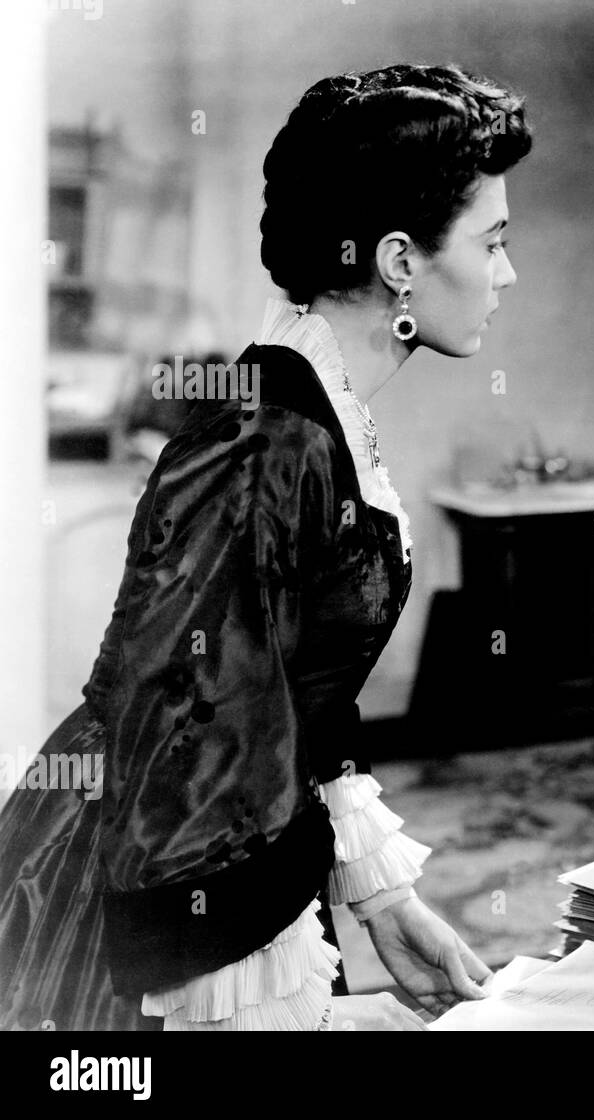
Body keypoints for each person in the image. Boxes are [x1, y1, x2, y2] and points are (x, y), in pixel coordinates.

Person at [0, 62, 531, 1030]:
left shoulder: (314, 409)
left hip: (237, 848)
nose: (505, 272)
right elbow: (191, 752)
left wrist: (383, 897)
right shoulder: (265, 445)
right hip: (165, 887)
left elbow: (286, 699)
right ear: (400, 260)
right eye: (492, 242)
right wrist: (267, 1010)